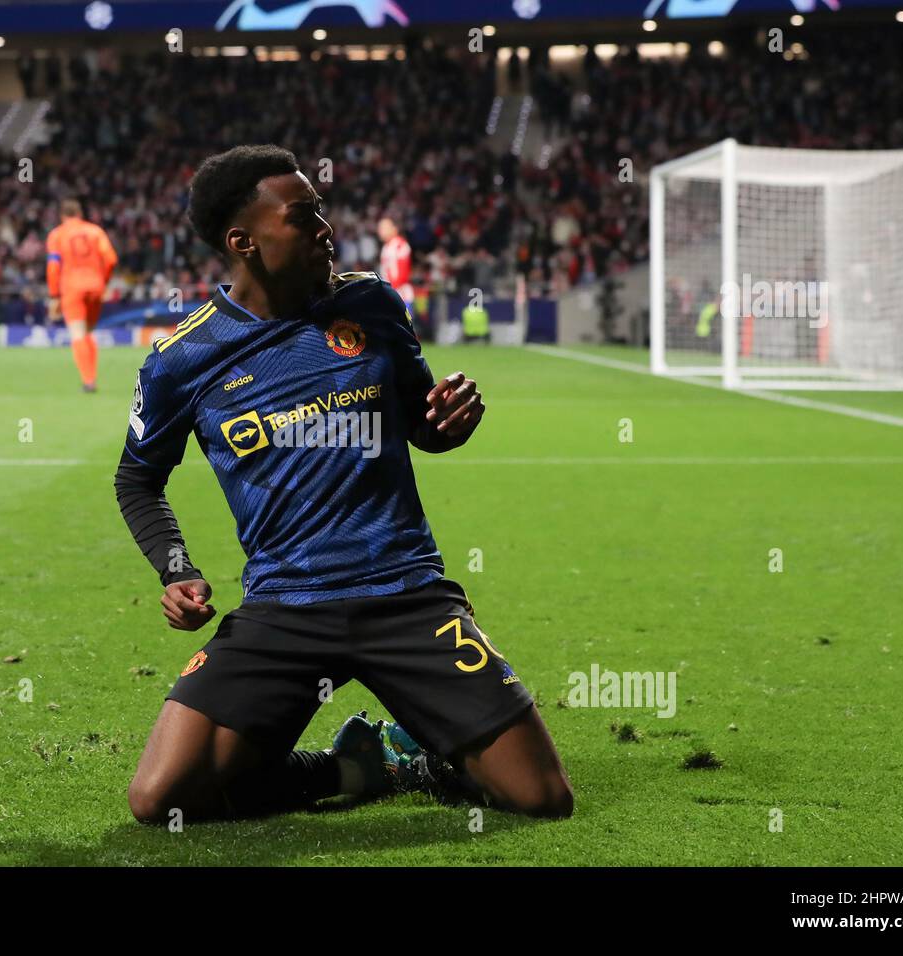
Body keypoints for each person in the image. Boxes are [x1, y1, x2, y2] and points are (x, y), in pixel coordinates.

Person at [115, 145, 572, 823]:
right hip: (285, 608)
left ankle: (432, 748)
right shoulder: (183, 359)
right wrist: (174, 567)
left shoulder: (370, 303)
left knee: (541, 798)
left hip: (406, 595)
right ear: (245, 241)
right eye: (303, 217)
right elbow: (138, 479)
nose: (325, 228)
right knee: (161, 799)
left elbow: (420, 423)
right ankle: (357, 768)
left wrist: (444, 426)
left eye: (320, 211)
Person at [45, 199, 118, 392]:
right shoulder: (95, 231)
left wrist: (54, 296)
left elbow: (53, 267)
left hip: (71, 288)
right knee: (88, 333)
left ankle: (88, 381)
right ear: (80, 214)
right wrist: (105, 282)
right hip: (96, 287)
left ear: (62, 216)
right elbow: (111, 259)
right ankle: (91, 376)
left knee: (78, 334)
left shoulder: (56, 235)